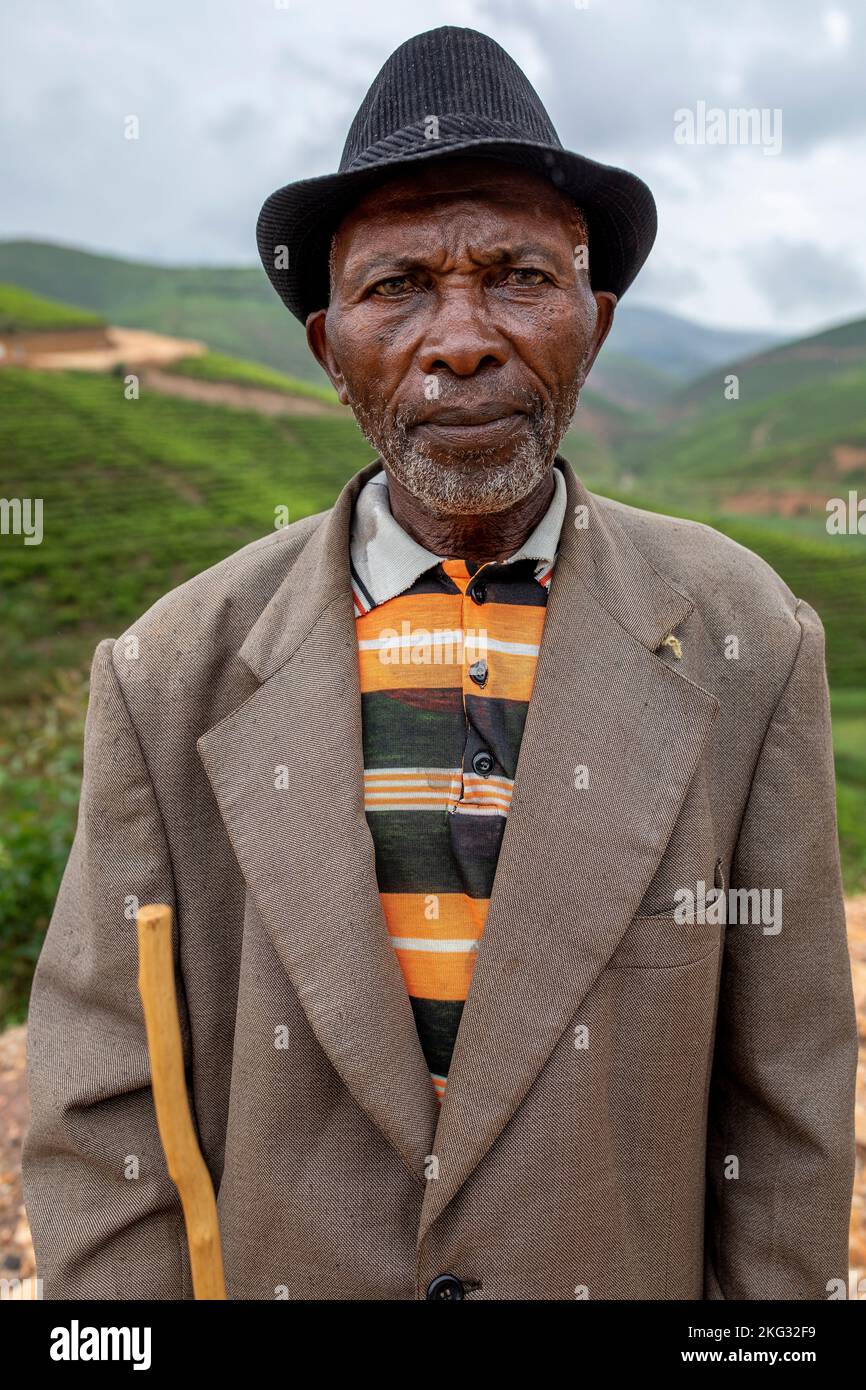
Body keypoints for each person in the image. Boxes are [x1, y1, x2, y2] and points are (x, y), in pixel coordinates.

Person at [23, 25, 857, 1301]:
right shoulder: (171, 671)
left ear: (594, 317)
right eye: (397, 285)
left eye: (518, 275)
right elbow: (99, 1119)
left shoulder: (743, 640)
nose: (459, 338)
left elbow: (785, 1111)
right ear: (326, 346)